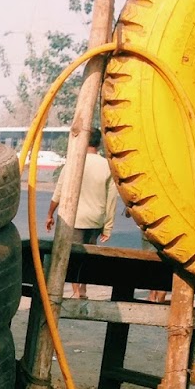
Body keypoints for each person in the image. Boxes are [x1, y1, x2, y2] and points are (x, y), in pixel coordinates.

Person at [45, 128, 117, 300]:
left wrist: (50, 214)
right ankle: (82, 289)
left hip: (74, 218)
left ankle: (77, 292)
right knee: (87, 256)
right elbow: (112, 199)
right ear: (99, 143)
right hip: (95, 219)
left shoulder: (73, 163)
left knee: (74, 256)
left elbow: (59, 192)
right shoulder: (107, 166)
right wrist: (108, 227)